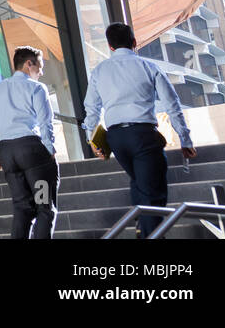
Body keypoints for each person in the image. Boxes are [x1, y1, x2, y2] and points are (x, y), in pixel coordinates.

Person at [82, 22, 196, 238]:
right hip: (143, 135)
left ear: (110, 46)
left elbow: (91, 109)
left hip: (116, 138)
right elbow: (172, 105)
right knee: (153, 193)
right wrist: (185, 139)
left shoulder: (99, 71)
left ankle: (140, 227)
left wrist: (94, 141)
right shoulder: (148, 66)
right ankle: (149, 233)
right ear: (134, 42)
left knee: (139, 182)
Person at [0, 45, 59, 239]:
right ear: (28, 64)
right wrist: (49, 150)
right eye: (40, 67)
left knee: (22, 208)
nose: (41, 72)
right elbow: (45, 122)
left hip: (8, 154)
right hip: (33, 154)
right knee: (44, 207)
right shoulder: (36, 88)